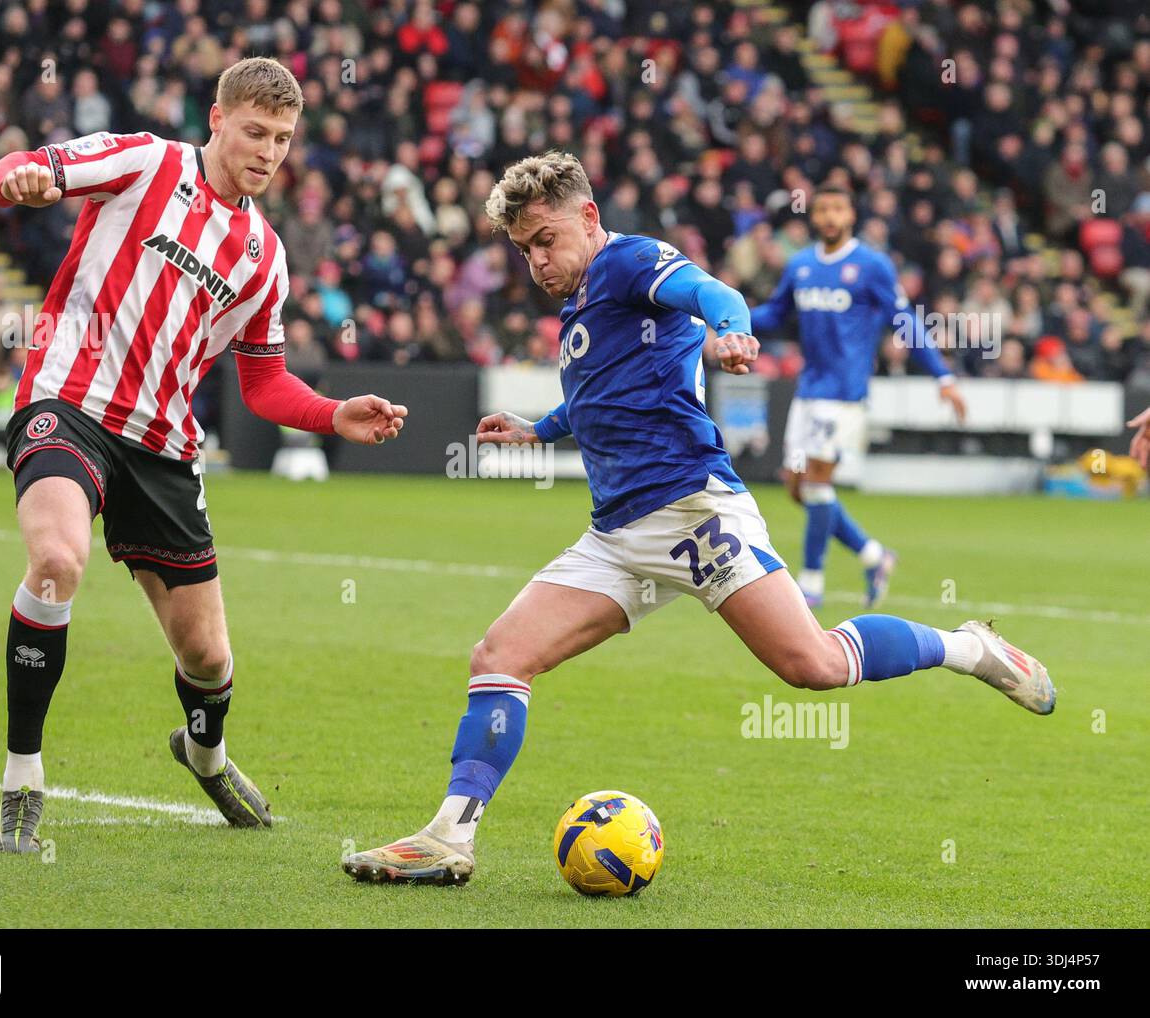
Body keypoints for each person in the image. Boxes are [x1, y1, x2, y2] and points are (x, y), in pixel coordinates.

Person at [342, 151, 1053, 887]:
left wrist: (735, 329)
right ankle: (450, 838)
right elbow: (601, 396)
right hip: (616, 535)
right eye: (524, 249)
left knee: (812, 665)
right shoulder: (581, 303)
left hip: (691, 511)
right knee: (499, 658)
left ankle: (970, 650)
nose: (536, 261)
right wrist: (540, 430)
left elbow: (711, 292)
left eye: (546, 240)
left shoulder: (630, 262)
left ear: (588, 217)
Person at [0, 57, 407, 853]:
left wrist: (331, 414)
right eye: (255, 131)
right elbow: (12, 171)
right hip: (68, 403)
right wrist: (18, 185)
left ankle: (204, 754)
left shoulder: (265, 256)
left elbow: (265, 383)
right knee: (56, 562)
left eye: (282, 138)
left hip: (165, 448)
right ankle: (21, 780)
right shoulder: (145, 162)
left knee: (208, 658)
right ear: (216, 119)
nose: (270, 151)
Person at [749, 186, 967, 608]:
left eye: (838, 208)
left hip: (844, 395)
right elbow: (776, 314)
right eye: (823, 209)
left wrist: (942, 376)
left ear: (851, 214)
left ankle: (811, 583)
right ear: (814, 217)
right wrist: (724, 310)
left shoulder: (872, 266)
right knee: (797, 487)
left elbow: (904, 320)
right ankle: (874, 555)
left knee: (816, 483)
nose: (830, 216)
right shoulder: (802, 265)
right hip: (808, 392)